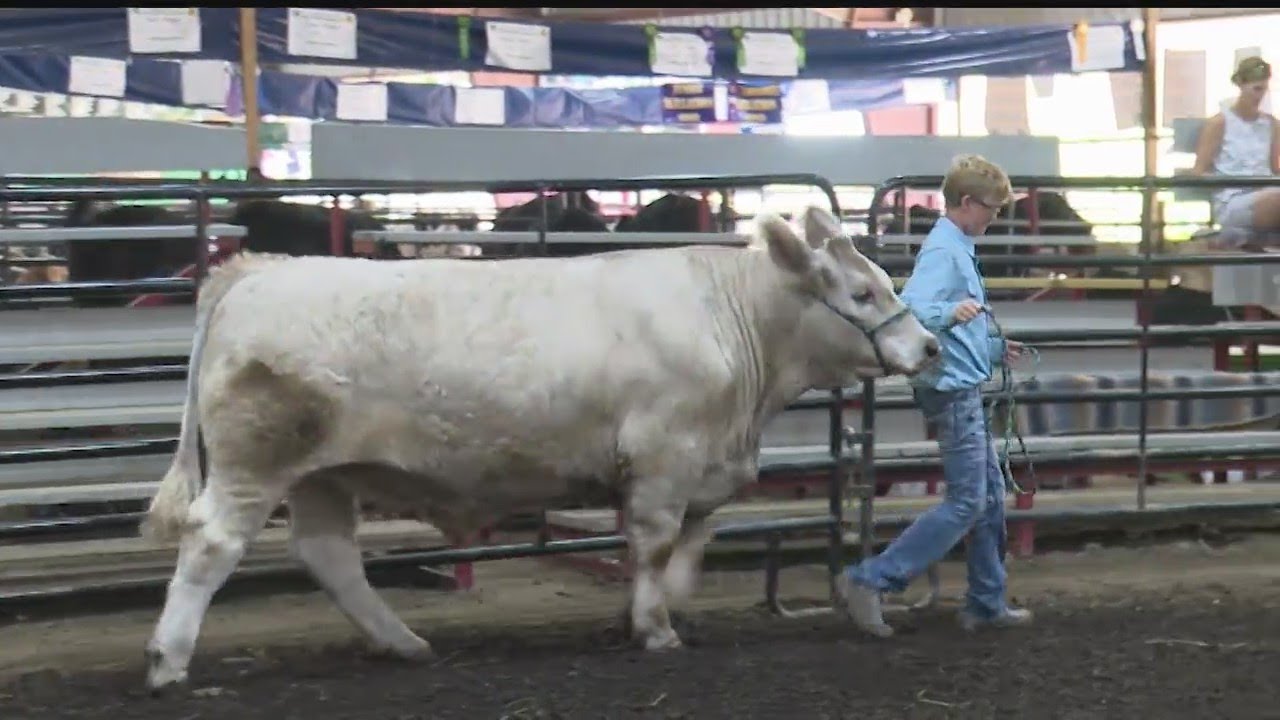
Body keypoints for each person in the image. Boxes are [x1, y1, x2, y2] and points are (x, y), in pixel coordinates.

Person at [836, 153, 1031, 637]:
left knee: (984, 496)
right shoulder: (946, 251)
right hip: (953, 389)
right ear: (967, 203)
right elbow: (917, 308)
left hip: (958, 382)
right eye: (992, 207)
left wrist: (989, 347)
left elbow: (945, 315)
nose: (995, 216)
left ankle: (987, 599)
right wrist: (950, 315)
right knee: (968, 501)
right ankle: (871, 579)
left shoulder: (954, 245)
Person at [1192, 55, 1280, 249]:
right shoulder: (1220, 123)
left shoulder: (1272, 124)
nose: (1259, 96)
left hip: (1266, 191)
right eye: (1255, 89)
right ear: (1241, 85)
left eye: (1263, 89)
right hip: (1233, 200)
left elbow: (1275, 168)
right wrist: (1225, 182)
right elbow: (1198, 171)